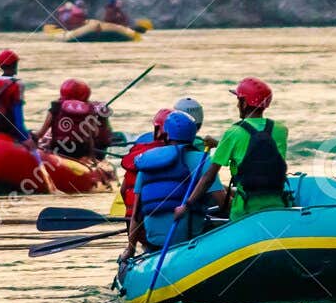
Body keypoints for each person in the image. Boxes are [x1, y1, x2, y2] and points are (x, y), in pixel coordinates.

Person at [186, 78, 289, 220]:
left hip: (244, 210)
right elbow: (257, 150)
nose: (237, 105)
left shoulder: (233, 132)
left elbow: (208, 178)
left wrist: (186, 205)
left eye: (239, 100)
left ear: (244, 103)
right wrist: (219, 144)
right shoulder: (281, 130)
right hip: (278, 205)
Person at [120, 111, 213, 260]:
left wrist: (130, 249)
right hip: (187, 240)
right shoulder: (202, 159)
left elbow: (136, 215)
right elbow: (220, 201)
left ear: (167, 135)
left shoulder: (148, 162)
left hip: (154, 243)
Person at [34, 78, 112, 161]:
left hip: (58, 150)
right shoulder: (90, 110)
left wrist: (34, 144)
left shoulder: (56, 107)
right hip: (81, 152)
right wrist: (91, 158)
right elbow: (93, 135)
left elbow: (41, 133)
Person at [119, 109, 173, 216]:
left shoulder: (137, 155)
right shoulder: (170, 156)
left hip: (131, 214)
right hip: (154, 215)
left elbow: (123, 190)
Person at [0, 49, 32, 145]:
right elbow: (19, 122)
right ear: (14, 65)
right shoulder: (17, 85)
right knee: (34, 149)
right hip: (12, 134)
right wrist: (27, 139)